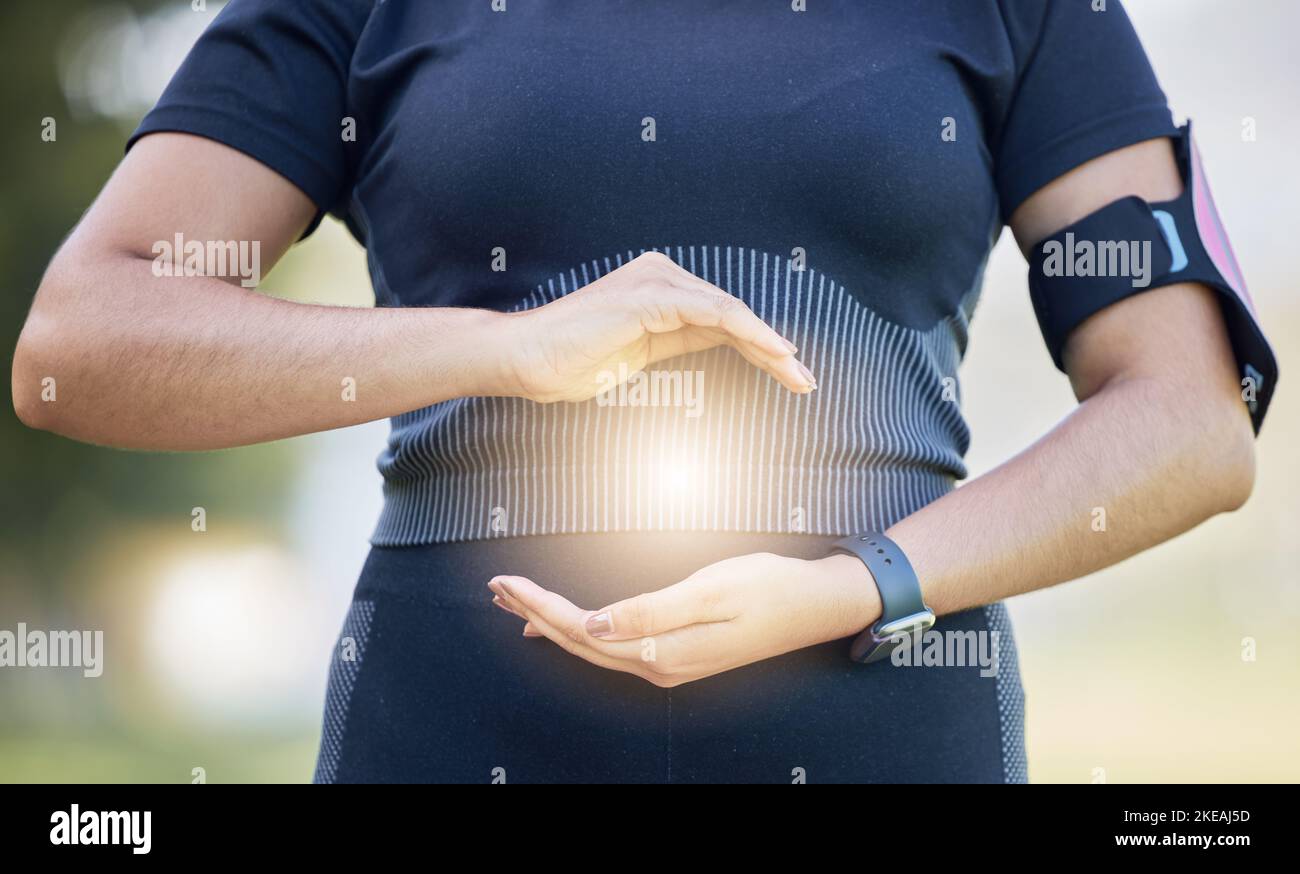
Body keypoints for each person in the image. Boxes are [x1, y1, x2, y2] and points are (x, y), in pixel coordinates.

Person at [12, 0, 1273, 783]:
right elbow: (80, 342)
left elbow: (1189, 419)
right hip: (454, 722)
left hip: (885, 730)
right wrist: (500, 347)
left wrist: (860, 583)